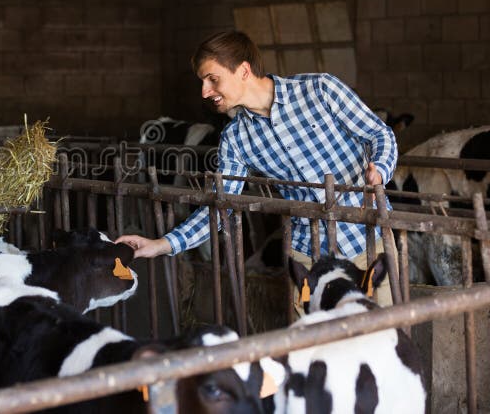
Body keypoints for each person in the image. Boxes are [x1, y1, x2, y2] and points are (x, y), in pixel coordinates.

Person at [116, 30, 398, 306]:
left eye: (213, 79)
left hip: (367, 243)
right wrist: (161, 245)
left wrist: (380, 170)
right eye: (202, 82)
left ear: (243, 70)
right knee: (314, 346)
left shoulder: (320, 90)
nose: (205, 91)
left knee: (384, 336)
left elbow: (379, 134)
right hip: (307, 260)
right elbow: (220, 207)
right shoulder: (236, 138)